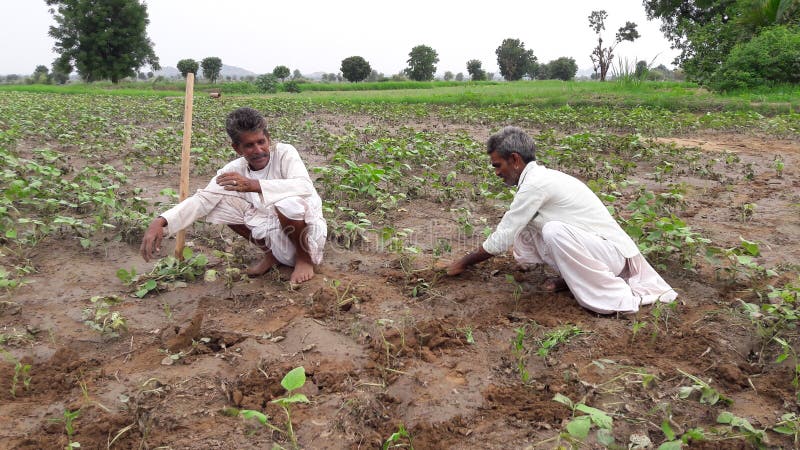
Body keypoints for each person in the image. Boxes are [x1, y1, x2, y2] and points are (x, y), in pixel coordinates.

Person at [444, 126, 677, 314]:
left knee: (553, 231)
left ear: (515, 159)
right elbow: (512, 227)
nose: (496, 173)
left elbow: (502, 239)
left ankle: (611, 297)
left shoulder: (535, 184)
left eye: (498, 165)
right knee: (527, 224)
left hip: (613, 257)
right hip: (602, 250)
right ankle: (570, 278)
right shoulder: (538, 178)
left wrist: (463, 263)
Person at [140, 107, 326, 284]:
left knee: (289, 203)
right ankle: (270, 255)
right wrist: (161, 221)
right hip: (272, 232)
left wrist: (254, 185)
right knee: (220, 203)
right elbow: (203, 200)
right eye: (249, 145)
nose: (258, 150)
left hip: (307, 237)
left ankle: (304, 260)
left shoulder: (285, 153)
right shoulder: (233, 170)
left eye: (261, 142)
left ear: (268, 139)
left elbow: (304, 186)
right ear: (237, 148)